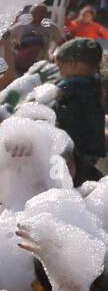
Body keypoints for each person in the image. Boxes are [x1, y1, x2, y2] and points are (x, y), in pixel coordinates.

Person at [51, 37, 104, 185]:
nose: (59, 72)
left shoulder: (69, 86)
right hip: (92, 153)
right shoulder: (95, 85)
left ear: (72, 63)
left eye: (60, 67)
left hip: (73, 154)